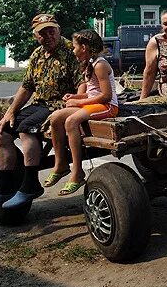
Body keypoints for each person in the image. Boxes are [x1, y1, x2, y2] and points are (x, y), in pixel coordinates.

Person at [0, 14, 83, 211]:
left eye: (51, 30)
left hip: (60, 105)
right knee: (2, 132)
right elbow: (27, 87)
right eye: (42, 33)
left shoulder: (71, 52)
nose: (48, 36)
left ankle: (30, 185)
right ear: (35, 36)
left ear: (59, 30)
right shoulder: (37, 54)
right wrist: (9, 113)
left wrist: (76, 107)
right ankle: (3, 190)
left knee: (26, 128)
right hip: (39, 104)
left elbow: (82, 84)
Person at [45, 29, 119, 196]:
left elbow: (106, 96)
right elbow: (93, 92)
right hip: (95, 103)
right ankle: (60, 163)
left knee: (71, 121)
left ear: (84, 47)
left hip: (108, 107)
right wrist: (75, 96)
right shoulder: (90, 63)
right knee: (56, 117)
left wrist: (79, 102)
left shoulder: (100, 65)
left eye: (74, 47)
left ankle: (77, 172)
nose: (73, 50)